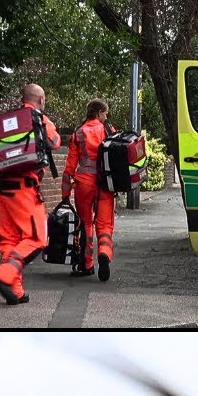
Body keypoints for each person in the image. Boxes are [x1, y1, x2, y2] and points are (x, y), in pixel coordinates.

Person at [0, 83, 62, 305]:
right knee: (37, 238)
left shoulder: (5, 126)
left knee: (11, 239)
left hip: (1, 188)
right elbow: (56, 143)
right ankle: (4, 274)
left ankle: (15, 290)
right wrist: (46, 123)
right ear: (41, 100)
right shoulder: (39, 120)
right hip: (24, 189)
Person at [62, 98, 117, 281]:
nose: (106, 117)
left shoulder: (79, 133)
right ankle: (104, 253)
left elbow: (69, 167)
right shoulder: (108, 131)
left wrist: (65, 194)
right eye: (105, 114)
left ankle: (86, 264)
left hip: (83, 183)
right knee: (104, 225)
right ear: (99, 113)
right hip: (104, 184)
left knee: (85, 224)